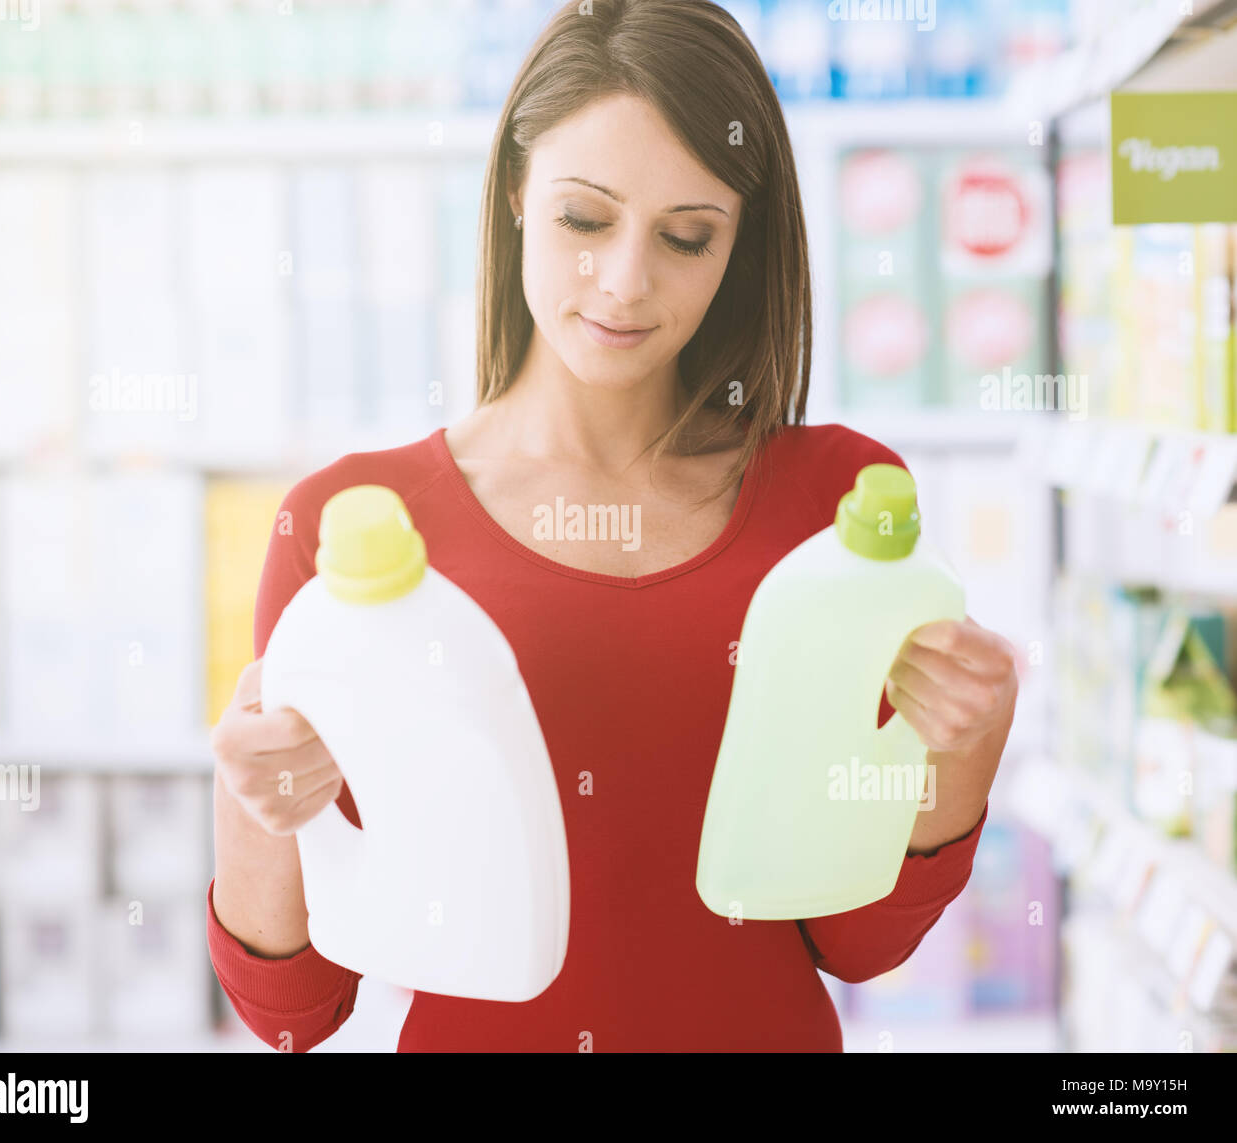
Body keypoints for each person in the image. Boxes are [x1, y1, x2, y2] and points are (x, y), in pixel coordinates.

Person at [207, 0, 1018, 1052]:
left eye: (686, 236)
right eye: (585, 220)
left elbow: (858, 941)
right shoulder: (349, 529)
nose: (626, 282)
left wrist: (965, 744)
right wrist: (253, 797)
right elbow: (292, 1012)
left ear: (741, 240)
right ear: (515, 190)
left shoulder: (834, 506)